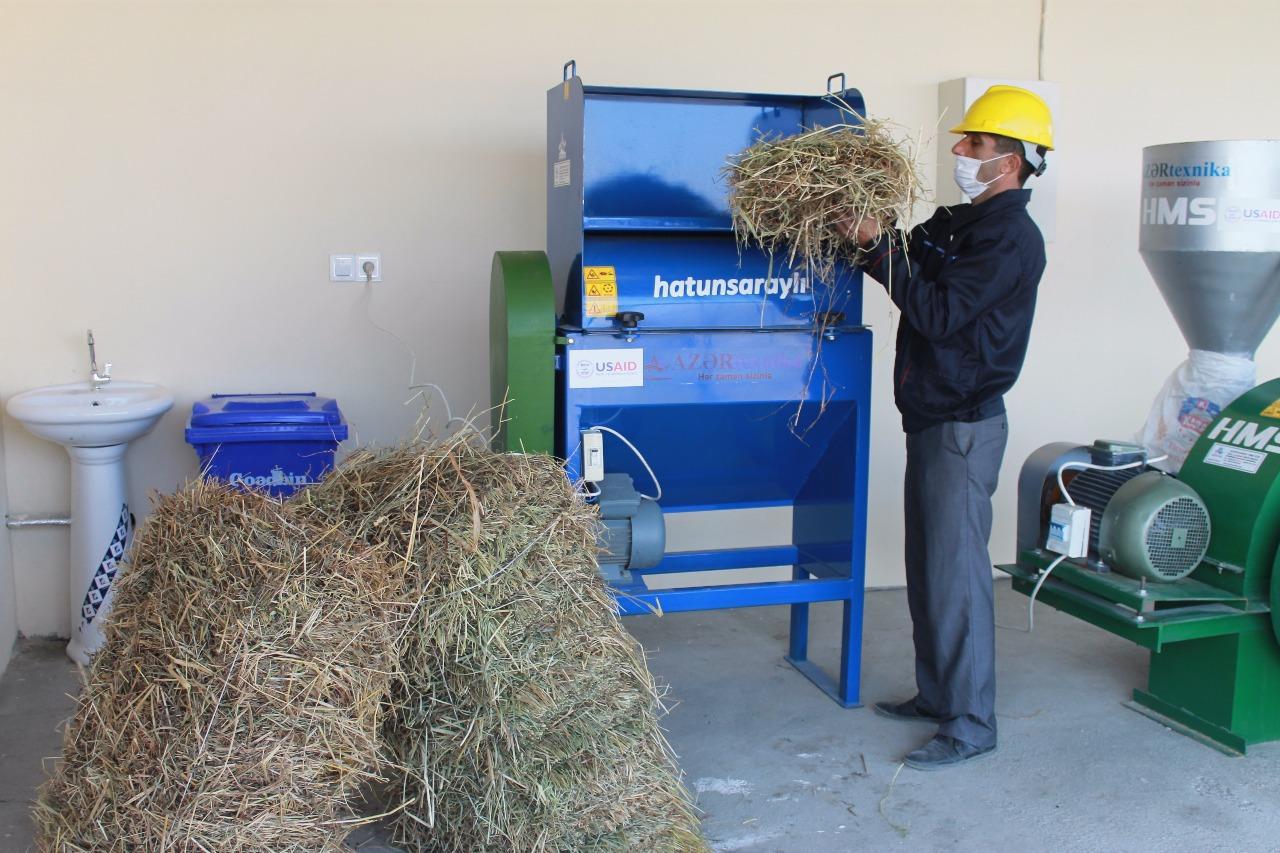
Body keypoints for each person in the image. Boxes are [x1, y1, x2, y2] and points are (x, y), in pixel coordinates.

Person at [838, 85, 1053, 770]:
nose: (960, 151)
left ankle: (970, 722)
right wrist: (875, 239)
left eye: (977, 144)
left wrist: (881, 253)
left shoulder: (1011, 239)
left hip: (963, 428)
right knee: (929, 568)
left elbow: (936, 312)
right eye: (963, 140)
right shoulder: (963, 223)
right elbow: (914, 258)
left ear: (1011, 161)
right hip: (931, 417)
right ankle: (937, 693)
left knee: (958, 577)